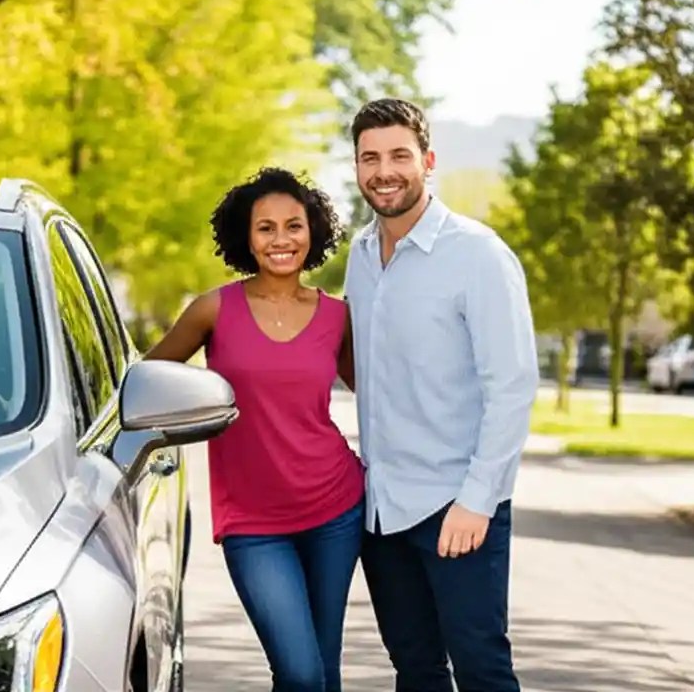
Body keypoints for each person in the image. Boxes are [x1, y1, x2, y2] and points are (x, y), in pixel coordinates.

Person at [342, 97, 539, 692]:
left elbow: (512, 385)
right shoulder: (358, 254)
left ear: (428, 161)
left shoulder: (477, 253)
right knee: (417, 670)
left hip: (457, 506)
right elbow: (370, 368)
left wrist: (478, 500)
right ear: (355, 168)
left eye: (399, 155)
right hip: (382, 508)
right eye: (369, 158)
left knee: (482, 670)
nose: (384, 170)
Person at [146, 167, 365, 692]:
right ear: (246, 236)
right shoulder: (213, 310)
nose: (281, 239)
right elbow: (147, 383)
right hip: (252, 522)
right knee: (299, 671)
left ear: (313, 231)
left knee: (323, 670)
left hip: (335, 508)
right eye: (266, 228)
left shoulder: (339, 317)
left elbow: (381, 399)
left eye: (294, 225)